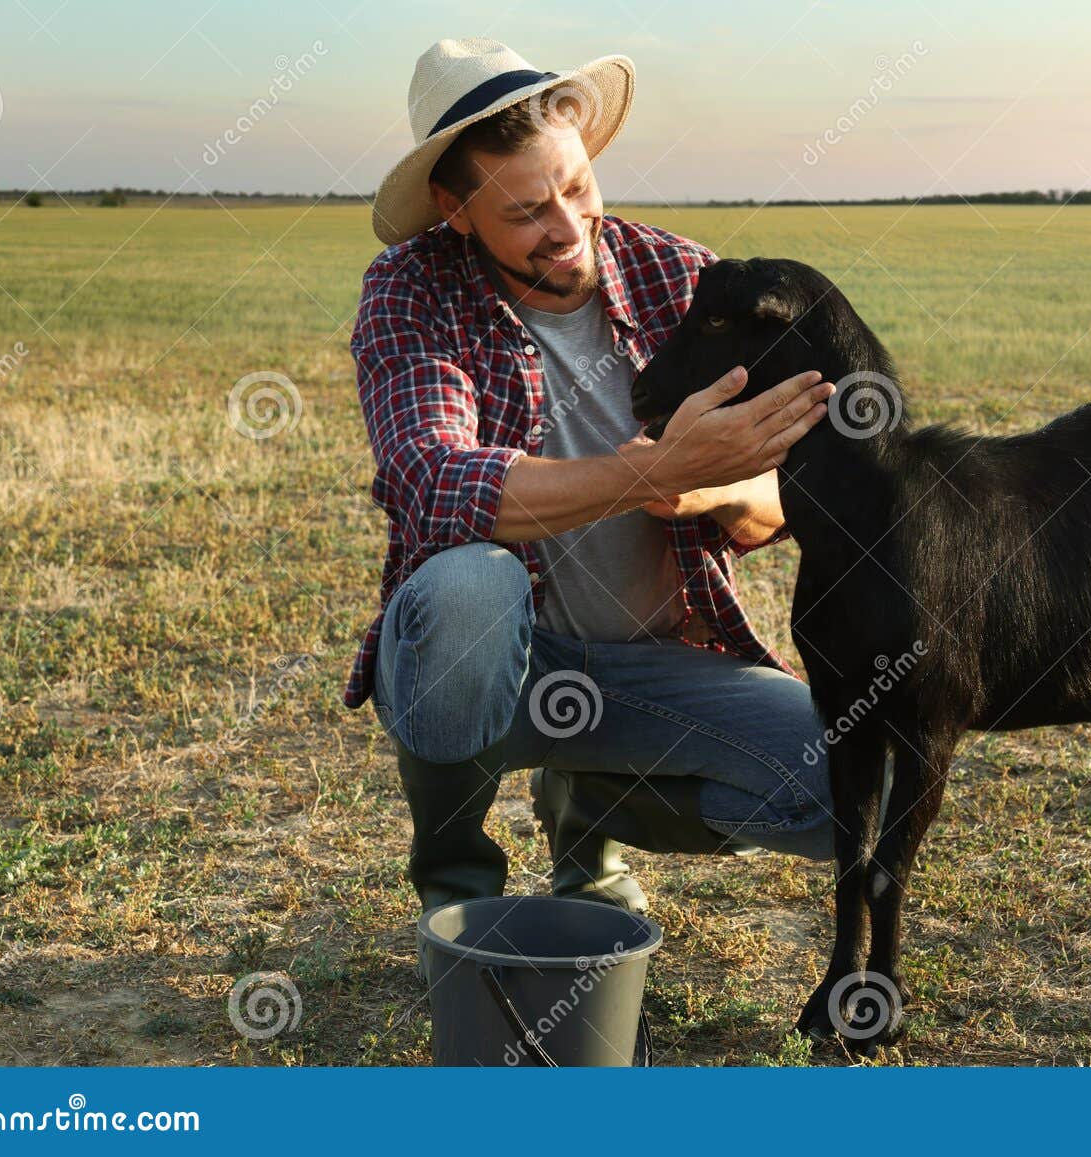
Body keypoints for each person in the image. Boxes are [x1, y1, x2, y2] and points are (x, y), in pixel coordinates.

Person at [346, 38, 838, 962]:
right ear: (453, 210)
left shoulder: (683, 276)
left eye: (576, 187)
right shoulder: (410, 293)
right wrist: (652, 471)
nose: (569, 228)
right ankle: (456, 888)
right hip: (500, 663)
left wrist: (719, 486)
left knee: (855, 783)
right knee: (466, 590)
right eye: (528, 210)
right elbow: (432, 480)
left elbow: (788, 494)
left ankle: (591, 805)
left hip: (644, 669)